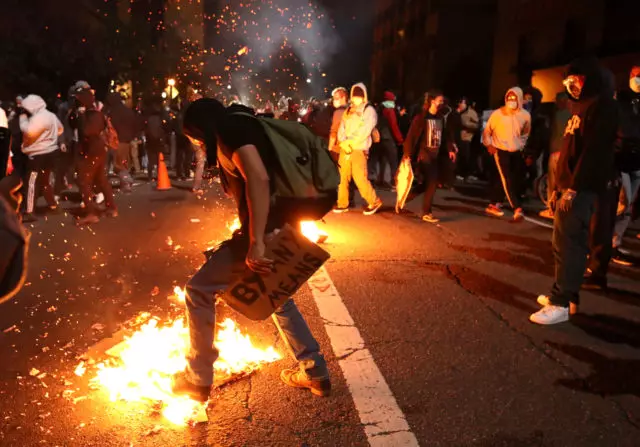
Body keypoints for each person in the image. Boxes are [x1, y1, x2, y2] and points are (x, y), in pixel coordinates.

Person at [172, 98, 331, 402]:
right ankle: (315, 372)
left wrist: (256, 241)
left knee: (198, 291)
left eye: (193, 137)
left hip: (268, 233)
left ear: (201, 127)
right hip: (283, 227)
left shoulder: (229, 132)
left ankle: (198, 378)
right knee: (278, 298)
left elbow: (258, 177)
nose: (195, 144)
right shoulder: (246, 125)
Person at [531, 56, 618, 325]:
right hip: (568, 187)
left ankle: (561, 303)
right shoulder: (578, 107)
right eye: (568, 81)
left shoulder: (603, 107)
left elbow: (593, 153)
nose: (572, 85)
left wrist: (574, 188)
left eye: (577, 80)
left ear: (590, 79)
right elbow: (569, 149)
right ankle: (566, 295)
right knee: (562, 243)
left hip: (582, 189)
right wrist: (557, 186)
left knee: (570, 243)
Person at [402, 90, 457, 223]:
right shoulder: (421, 118)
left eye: (442, 101)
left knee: (427, 184)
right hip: (424, 155)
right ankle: (427, 212)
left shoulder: (440, 118)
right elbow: (411, 137)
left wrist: (450, 149)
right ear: (432, 101)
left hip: (436, 155)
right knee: (432, 182)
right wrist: (407, 155)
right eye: (440, 100)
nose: (442, 103)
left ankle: (406, 197)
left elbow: (445, 136)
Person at [482, 87, 531, 221]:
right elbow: (487, 131)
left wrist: (521, 146)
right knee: (506, 178)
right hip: (500, 149)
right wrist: (489, 144)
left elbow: (525, 133)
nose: (511, 101)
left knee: (510, 179)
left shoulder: (525, 115)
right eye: (509, 98)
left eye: (514, 98)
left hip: (515, 151)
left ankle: (494, 203)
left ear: (519, 99)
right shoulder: (498, 114)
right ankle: (517, 208)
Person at [334, 83, 383, 215]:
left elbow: (365, 130)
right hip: (346, 149)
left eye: (358, 97)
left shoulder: (369, 111)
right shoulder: (348, 111)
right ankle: (342, 203)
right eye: (354, 97)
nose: (356, 99)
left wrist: (350, 142)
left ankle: (374, 201)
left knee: (360, 178)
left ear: (364, 97)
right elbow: (341, 128)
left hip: (359, 149)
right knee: (343, 178)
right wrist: (343, 142)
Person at [71, 87, 118, 225]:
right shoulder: (96, 113)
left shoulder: (91, 115)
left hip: (91, 151)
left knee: (83, 181)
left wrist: (81, 116)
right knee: (100, 179)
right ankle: (112, 207)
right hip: (97, 150)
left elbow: (86, 131)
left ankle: (91, 213)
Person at [611, 64, 640, 264]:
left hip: (637, 162)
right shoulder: (620, 98)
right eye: (637, 76)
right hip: (620, 160)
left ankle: (614, 245)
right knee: (621, 203)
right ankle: (599, 243)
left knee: (627, 206)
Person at [19, 95, 64, 221]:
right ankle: (53, 206)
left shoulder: (38, 118)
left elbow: (28, 132)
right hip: (50, 152)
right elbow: (60, 129)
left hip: (37, 154)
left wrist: (22, 119)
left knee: (31, 182)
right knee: (45, 180)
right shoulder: (51, 115)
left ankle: (29, 211)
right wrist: (48, 137)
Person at [539, 93, 571, 219]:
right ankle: (563, 209)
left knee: (553, 182)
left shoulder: (558, 115)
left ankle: (552, 209)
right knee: (564, 181)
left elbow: (552, 133)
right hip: (567, 153)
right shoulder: (573, 115)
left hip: (557, 151)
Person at [105, 92, 137, 192]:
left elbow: (109, 127)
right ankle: (126, 182)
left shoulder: (112, 113)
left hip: (116, 141)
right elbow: (135, 125)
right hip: (127, 141)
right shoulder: (128, 111)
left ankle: (127, 181)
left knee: (118, 165)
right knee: (123, 162)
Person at [375, 91, 404, 188]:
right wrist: (400, 139)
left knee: (383, 159)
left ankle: (380, 180)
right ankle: (394, 181)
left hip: (380, 137)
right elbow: (393, 125)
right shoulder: (390, 110)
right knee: (393, 160)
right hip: (388, 137)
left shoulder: (380, 108)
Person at [456, 97, 479, 181]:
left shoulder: (471, 113)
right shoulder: (457, 112)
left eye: (462, 103)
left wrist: (466, 124)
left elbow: (477, 125)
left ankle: (465, 173)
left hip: (467, 137)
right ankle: (459, 172)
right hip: (458, 137)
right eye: (459, 103)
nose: (460, 105)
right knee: (460, 156)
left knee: (466, 156)